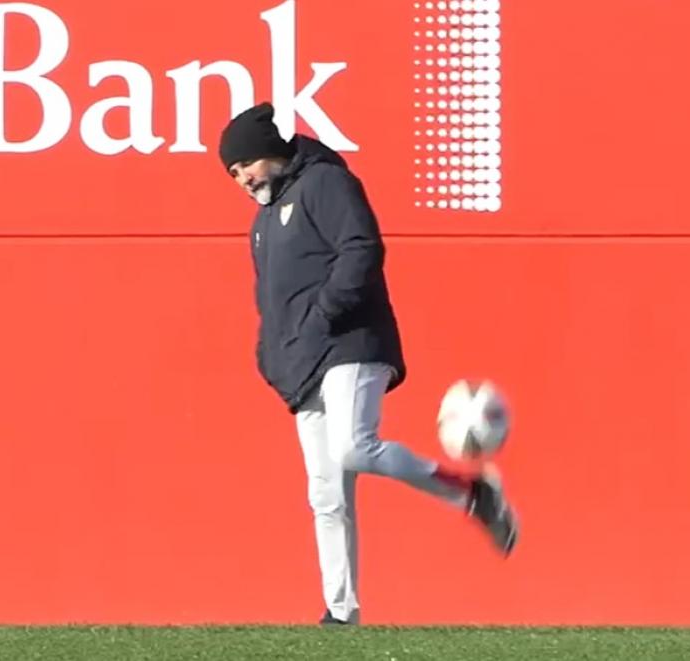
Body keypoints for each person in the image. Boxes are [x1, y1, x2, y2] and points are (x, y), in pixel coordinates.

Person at [217, 102, 518, 626]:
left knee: (355, 447)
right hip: (303, 363)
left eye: (244, 165)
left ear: (267, 152)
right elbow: (271, 300)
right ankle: (341, 612)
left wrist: (324, 314)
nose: (241, 178)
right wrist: (271, 352)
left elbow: (361, 248)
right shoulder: (264, 222)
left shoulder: (326, 182)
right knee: (325, 493)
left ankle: (472, 493)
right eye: (233, 173)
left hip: (353, 342)